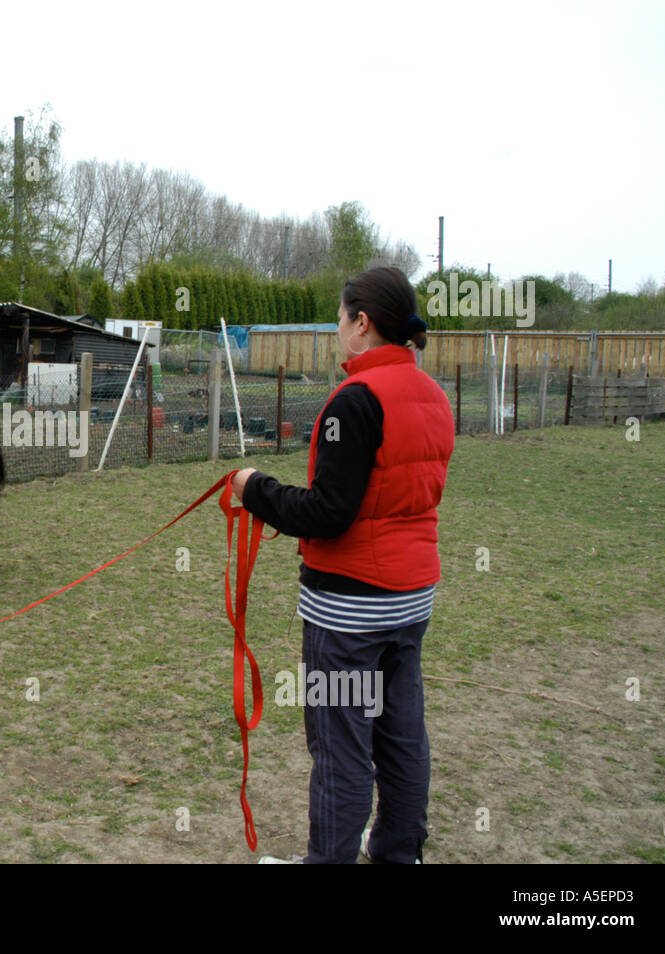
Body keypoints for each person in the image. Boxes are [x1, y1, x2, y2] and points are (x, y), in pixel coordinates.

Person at [231, 266, 454, 864]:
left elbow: (330, 512)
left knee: (341, 750)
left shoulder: (355, 402)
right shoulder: (433, 395)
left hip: (350, 611)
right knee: (402, 739)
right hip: (410, 601)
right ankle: (397, 854)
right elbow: (386, 498)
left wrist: (256, 489)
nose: (336, 328)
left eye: (339, 317)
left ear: (362, 322)